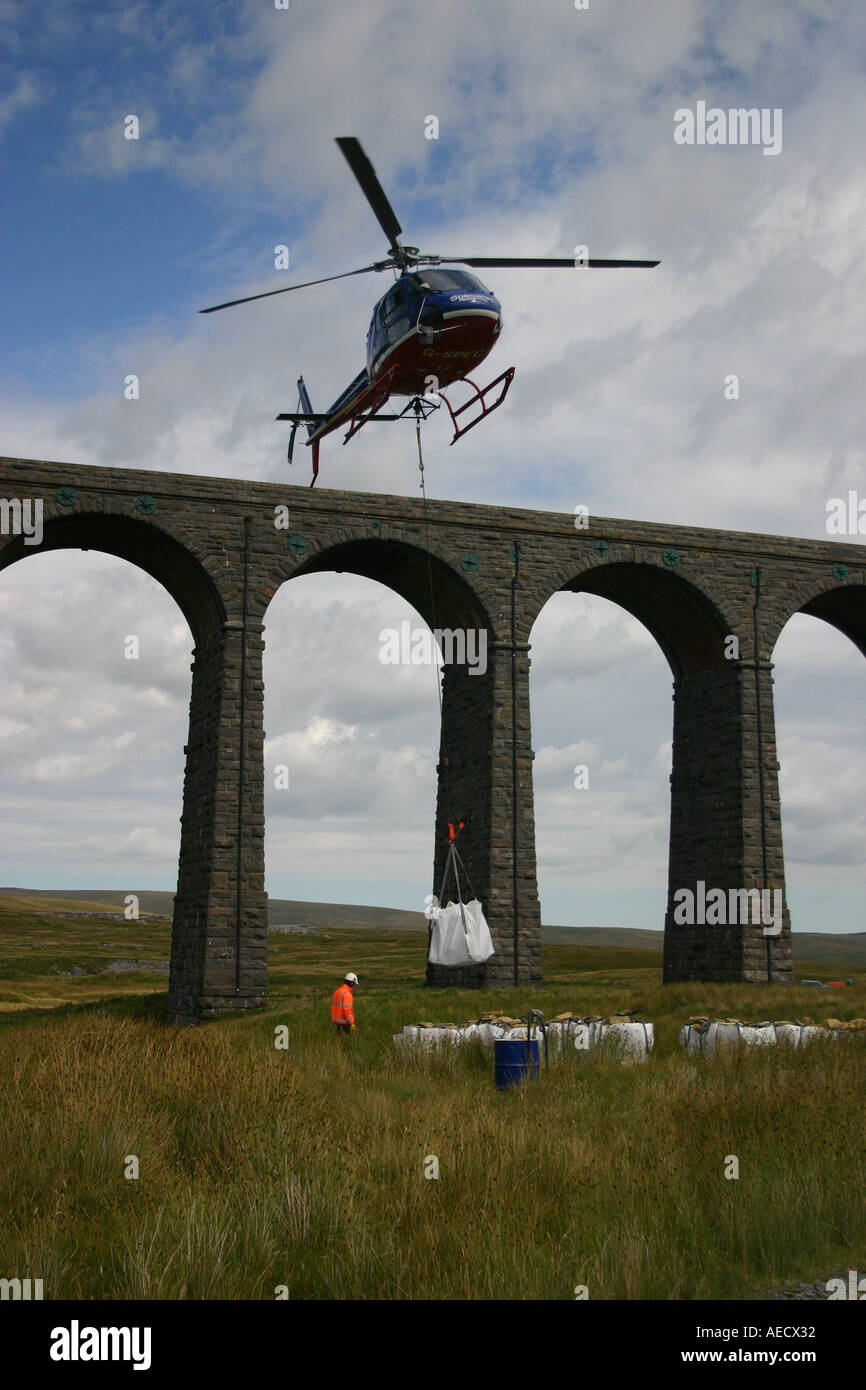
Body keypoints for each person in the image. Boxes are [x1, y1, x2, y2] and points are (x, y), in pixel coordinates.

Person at [331, 972, 358, 1039]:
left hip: (337, 1022)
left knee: (338, 1041)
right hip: (344, 1022)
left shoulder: (337, 991)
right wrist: (352, 1023)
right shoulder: (347, 994)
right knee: (347, 1042)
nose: (354, 986)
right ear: (351, 983)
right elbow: (347, 1010)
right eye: (354, 984)